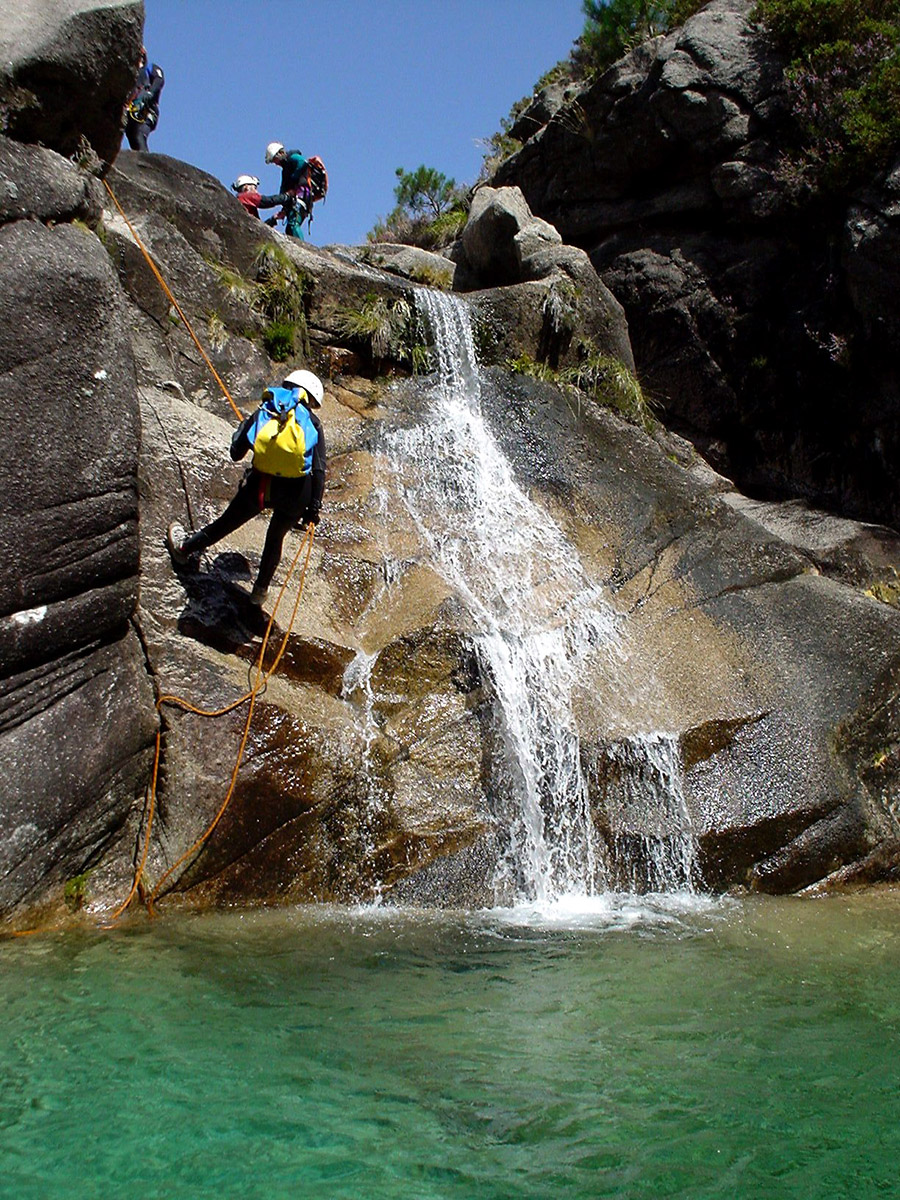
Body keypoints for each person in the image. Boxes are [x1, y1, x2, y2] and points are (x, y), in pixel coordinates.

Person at [167, 369, 326, 606]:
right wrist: (313, 509)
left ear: (287, 385)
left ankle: (183, 548)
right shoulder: (313, 423)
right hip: (296, 495)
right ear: (312, 400)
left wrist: (242, 431)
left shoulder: (268, 409)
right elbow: (319, 469)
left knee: (225, 523)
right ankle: (259, 593)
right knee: (275, 539)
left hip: (261, 488)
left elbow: (235, 453)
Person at [264, 142, 311, 239]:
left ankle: (302, 248)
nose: (275, 163)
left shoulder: (292, 157)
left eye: (274, 160)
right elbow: (285, 189)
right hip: (296, 197)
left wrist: (295, 176)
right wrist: (285, 209)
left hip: (301, 194)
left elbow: (303, 162)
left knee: (294, 223)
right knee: (289, 228)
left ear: (279, 153)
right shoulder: (285, 170)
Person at [125, 46, 164, 152]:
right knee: (131, 134)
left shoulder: (150, 68)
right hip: (132, 109)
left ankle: (145, 160)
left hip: (147, 109)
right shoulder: (131, 74)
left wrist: (150, 92)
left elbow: (159, 79)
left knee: (139, 133)